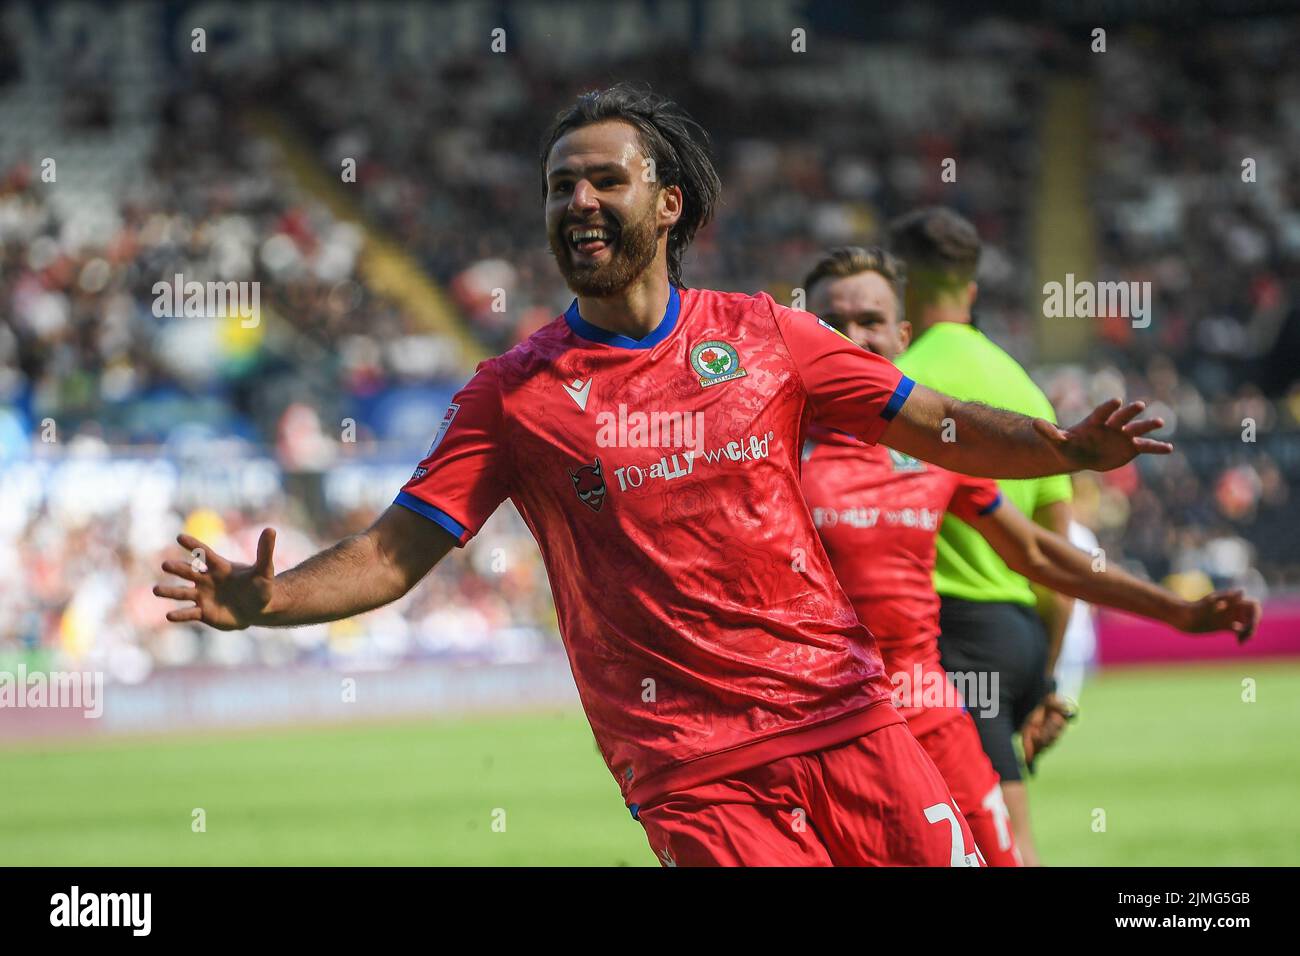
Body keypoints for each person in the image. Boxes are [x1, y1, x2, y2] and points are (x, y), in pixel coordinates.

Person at [155, 84, 1173, 867]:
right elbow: (390, 554)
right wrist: (269, 598)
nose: (579, 201)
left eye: (603, 179)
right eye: (560, 185)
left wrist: (1062, 447)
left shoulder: (770, 335)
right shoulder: (513, 394)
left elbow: (938, 426)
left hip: (847, 710)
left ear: (667, 202)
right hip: (692, 760)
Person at [797, 245, 1260, 865]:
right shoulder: (769, 447)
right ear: (802, 331)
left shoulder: (936, 445)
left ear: (902, 334)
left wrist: (1177, 612)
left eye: (871, 321)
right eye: (835, 321)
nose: (854, 336)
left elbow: (1040, 552)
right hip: (822, 722)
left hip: (928, 708)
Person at [889, 207, 1076, 864]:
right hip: (1018, 636)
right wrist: (1044, 680)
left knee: (981, 845)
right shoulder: (1025, 389)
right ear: (971, 288)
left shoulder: (897, 384)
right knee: (1002, 837)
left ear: (901, 285)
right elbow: (1057, 558)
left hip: (943, 642)